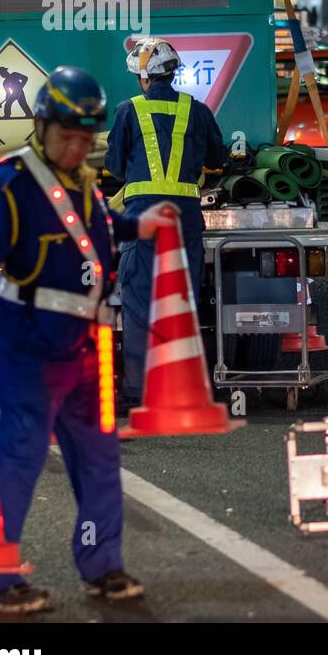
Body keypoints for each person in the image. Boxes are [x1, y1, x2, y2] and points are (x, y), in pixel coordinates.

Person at [0, 67, 174, 614]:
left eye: (86, 140)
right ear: (42, 127)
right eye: (68, 137)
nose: (76, 148)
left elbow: (94, 234)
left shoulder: (82, 183)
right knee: (17, 459)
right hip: (28, 346)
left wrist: (139, 224)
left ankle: (102, 566)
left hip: (86, 347)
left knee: (99, 458)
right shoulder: (11, 184)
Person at [103, 38, 227, 408]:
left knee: (141, 303)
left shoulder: (129, 110)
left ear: (144, 75)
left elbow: (112, 165)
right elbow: (218, 159)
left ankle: (140, 393)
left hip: (143, 219)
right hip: (185, 219)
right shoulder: (197, 110)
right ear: (173, 73)